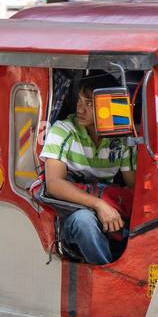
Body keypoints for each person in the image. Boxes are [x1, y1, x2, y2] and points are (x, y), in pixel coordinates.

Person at [39, 75, 136, 265]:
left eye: (89, 104)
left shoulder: (123, 137)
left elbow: (133, 187)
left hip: (109, 207)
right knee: (84, 222)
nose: (80, 109)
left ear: (109, 106)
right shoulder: (63, 130)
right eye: (79, 101)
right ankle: (109, 276)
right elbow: (54, 184)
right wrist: (99, 205)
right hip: (70, 213)